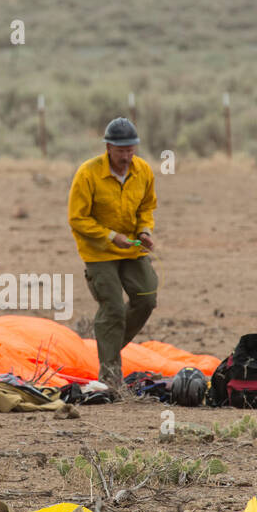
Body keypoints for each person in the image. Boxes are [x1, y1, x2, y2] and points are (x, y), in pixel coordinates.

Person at [66, 117, 158, 389]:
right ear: (108, 147)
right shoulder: (88, 173)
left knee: (146, 297)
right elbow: (77, 219)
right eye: (121, 151)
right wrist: (110, 237)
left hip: (132, 249)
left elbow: (147, 207)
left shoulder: (143, 171)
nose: (127, 156)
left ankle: (109, 349)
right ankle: (109, 376)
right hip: (98, 252)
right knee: (113, 307)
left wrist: (144, 231)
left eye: (131, 150)